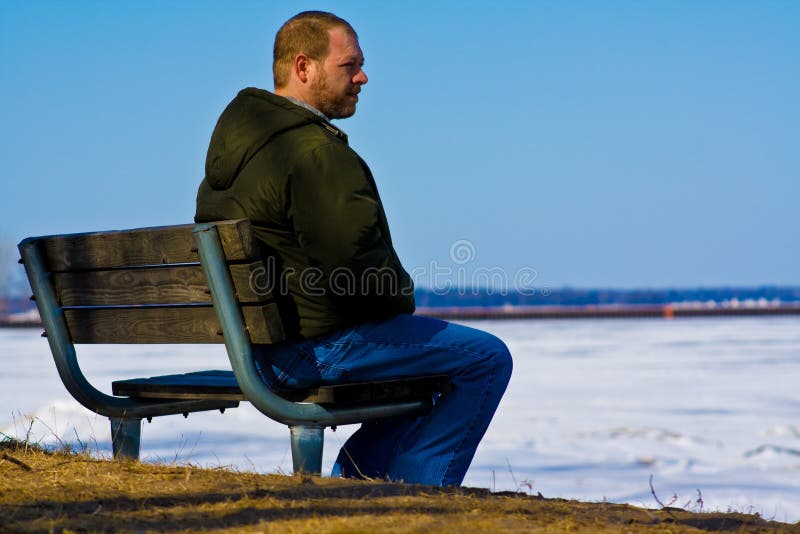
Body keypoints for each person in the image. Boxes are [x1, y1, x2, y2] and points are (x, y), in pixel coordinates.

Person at [195, 11, 512, 486]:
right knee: (485, 358)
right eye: (349, 66)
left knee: (429, 353)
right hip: (308, 352)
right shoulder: (314, 154)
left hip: (256, 351)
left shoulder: (232, 159)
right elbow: (357, 270)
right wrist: (403, 299)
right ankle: (419, 492)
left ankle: (363, 480)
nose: (363, 77)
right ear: (304, 67)